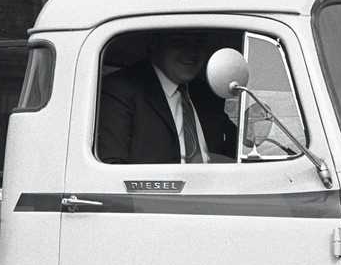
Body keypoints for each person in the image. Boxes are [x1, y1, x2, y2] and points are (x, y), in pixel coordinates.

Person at [96, 30, 236, 165]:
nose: (191, 52)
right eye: (179, 42)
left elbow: (233, 148)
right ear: (154, 44)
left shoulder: (206, 92)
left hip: (215, 186)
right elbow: (112, 164)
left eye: (199, 43)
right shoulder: (121, 89)